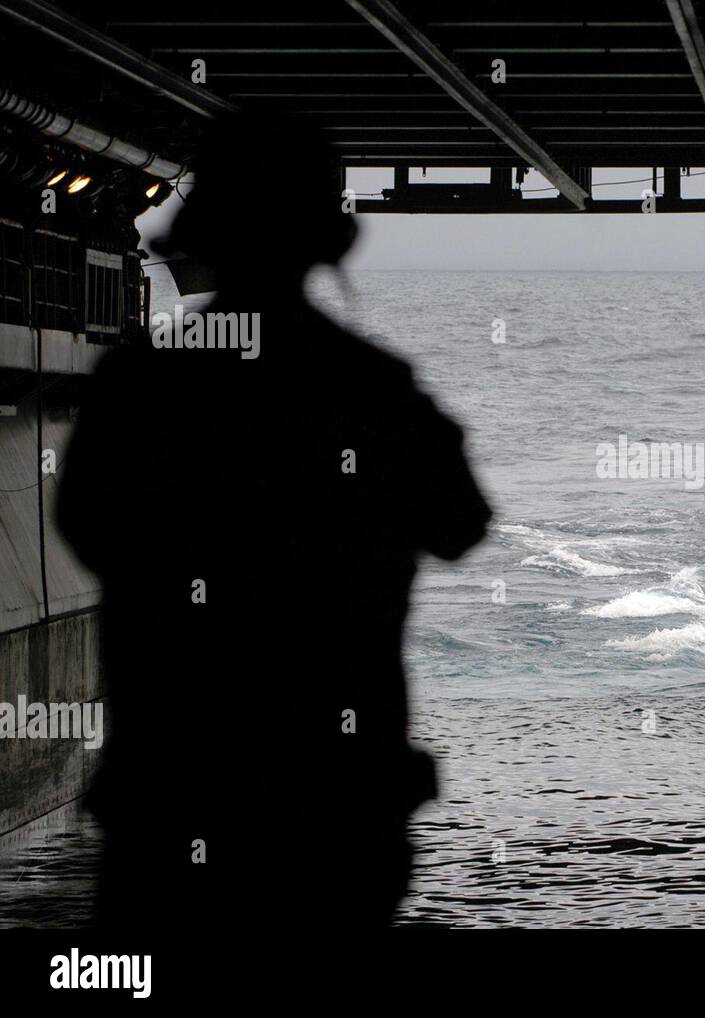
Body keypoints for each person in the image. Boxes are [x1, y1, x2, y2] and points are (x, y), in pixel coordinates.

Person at [57, 112, 492, 931]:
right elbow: (461, 524)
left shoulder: (139, 388)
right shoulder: (374, 391)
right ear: (326, 241)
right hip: (333, 805)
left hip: (172, 793)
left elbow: (85, 523)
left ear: (204, 238)